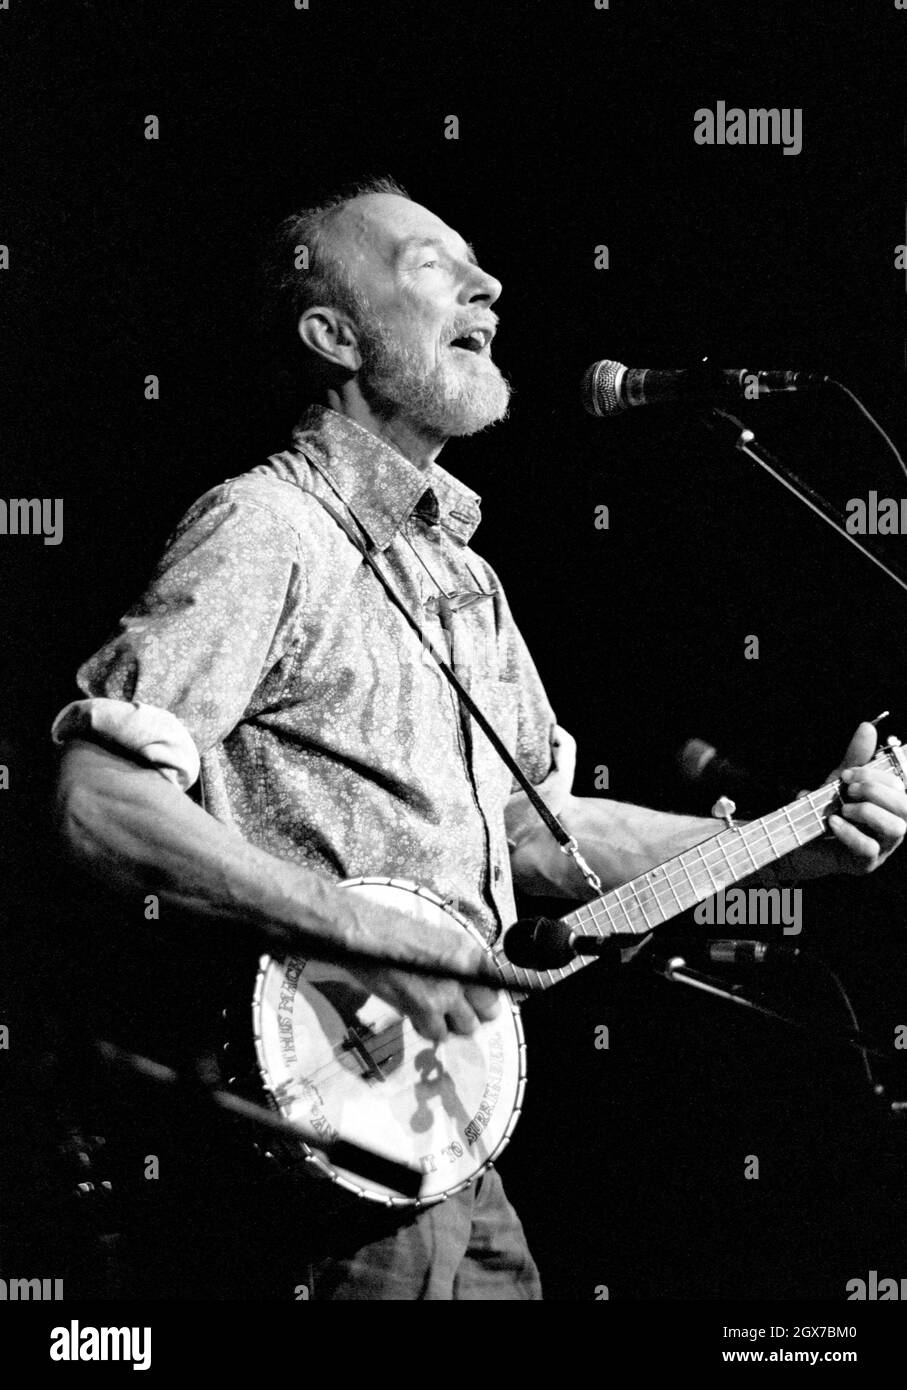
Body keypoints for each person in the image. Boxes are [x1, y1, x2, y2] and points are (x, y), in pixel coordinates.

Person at [52, 176, 907, 1300]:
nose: (488, 282)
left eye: (476, 265)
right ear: (332, 334)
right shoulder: (265, 528)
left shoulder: (463, 577)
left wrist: (797, 840)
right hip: (308, 1148)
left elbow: (552, 843)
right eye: (427, 264)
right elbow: (97, 799)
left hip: (454, 1152)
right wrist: (352, 923)